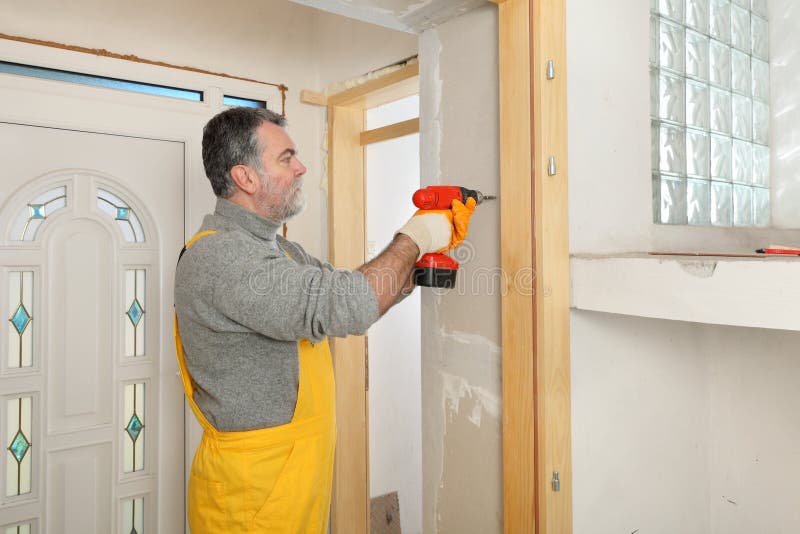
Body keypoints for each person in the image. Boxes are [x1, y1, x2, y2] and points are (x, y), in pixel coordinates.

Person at [174, 106, 475, 533]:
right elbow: (350, 302)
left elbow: (355, 296)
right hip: (249, 495)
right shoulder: (221, 258)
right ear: (246, 177)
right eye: (286, 158)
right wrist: (416, 236)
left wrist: (422, 259)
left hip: (289, 479)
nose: (302, 167)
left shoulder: (281, 252)